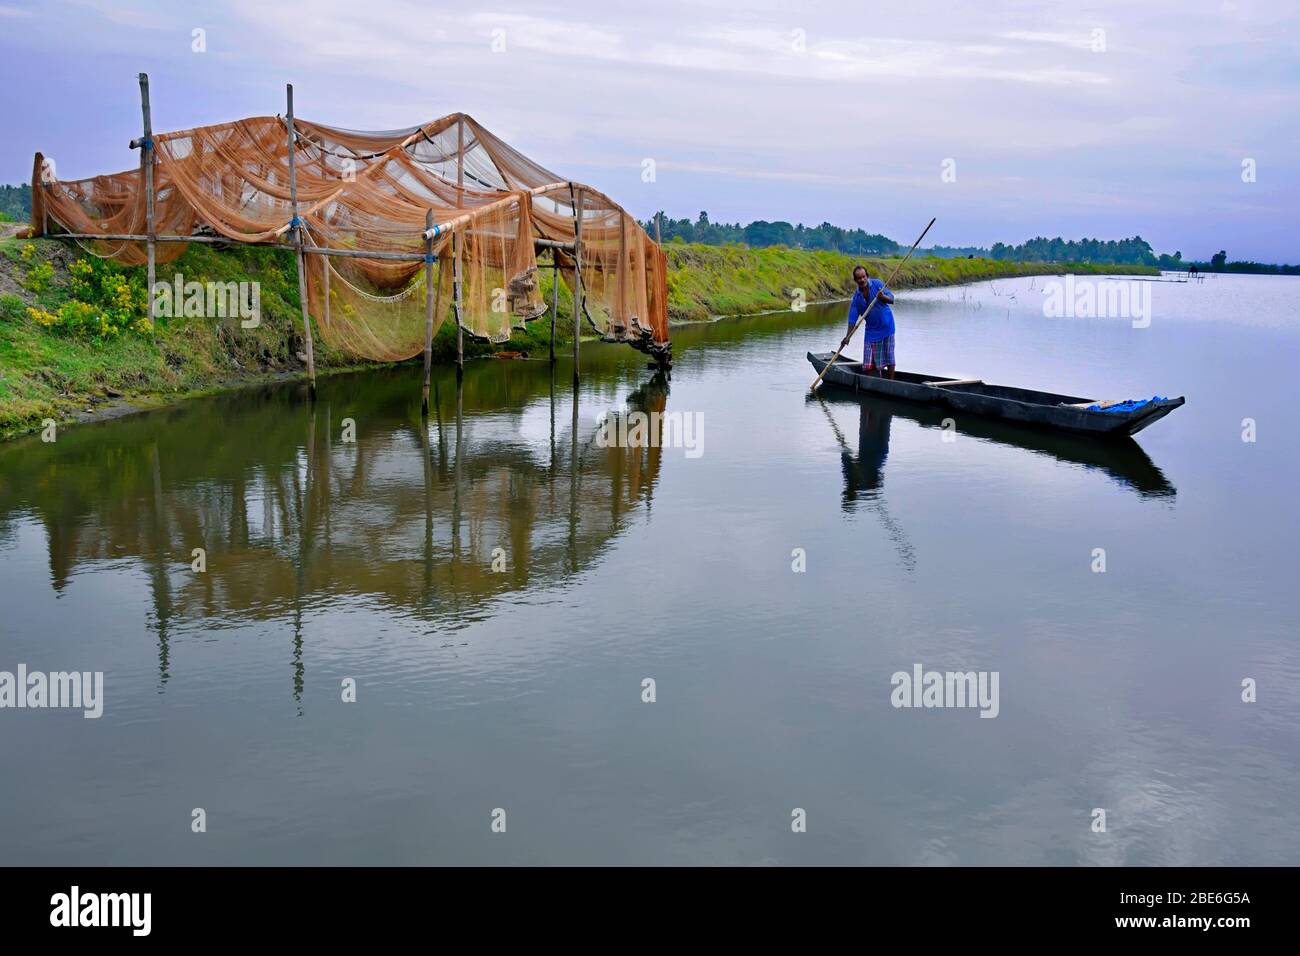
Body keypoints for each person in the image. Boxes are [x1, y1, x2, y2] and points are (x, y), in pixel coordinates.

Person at [846, 265, 896, 378]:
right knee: (868, 362)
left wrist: (883, 297)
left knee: (889, 357)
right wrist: (847, 337)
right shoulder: (857, 298)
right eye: (859, 278)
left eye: (864, 277)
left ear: (867, 276)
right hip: (872, 331)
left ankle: (891, 382)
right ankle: (870, 382)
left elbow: (892, 299)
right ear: (855, 280)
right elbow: (852, 319)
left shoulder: (877, 284)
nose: (862, 280)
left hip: (887, 326)